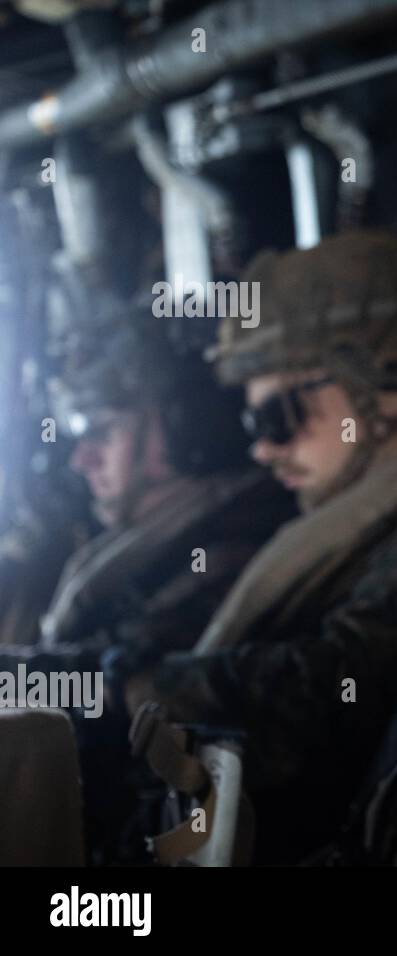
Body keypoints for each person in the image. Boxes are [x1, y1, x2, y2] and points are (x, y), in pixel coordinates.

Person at [117, 231, 397, 864]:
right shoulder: (349, 527)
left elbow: (339, 695)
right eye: (251, 423)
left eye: (279, 416)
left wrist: (125, 698)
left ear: (388, 383)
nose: (262, 446)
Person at [0, 304, 294, 864]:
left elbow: (115, 692)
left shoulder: (230, 546)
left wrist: (12, 679)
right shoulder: (131, 545)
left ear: (185, 430)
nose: (82, 459)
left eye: (104, 432)